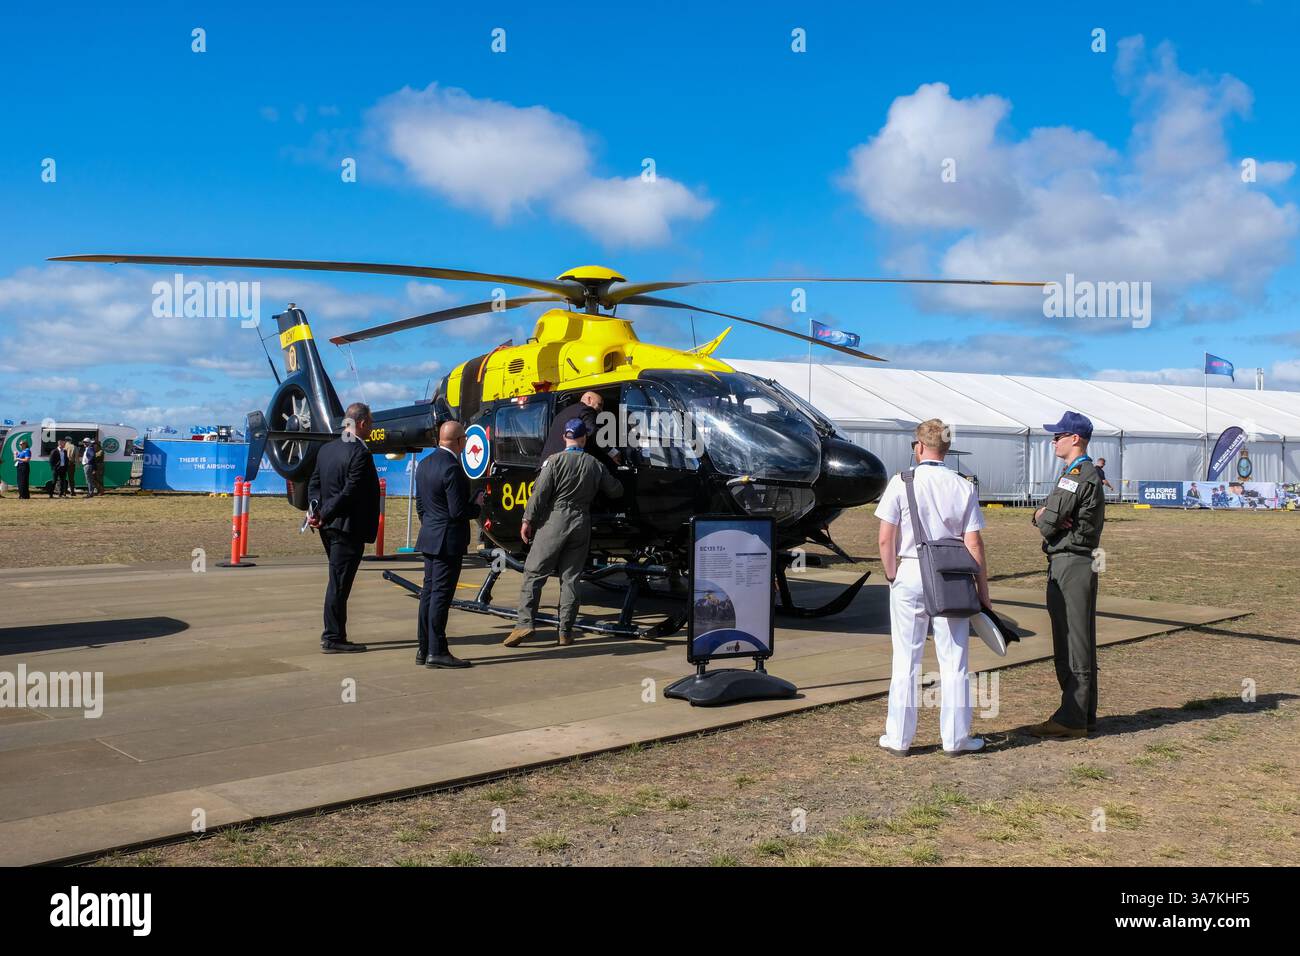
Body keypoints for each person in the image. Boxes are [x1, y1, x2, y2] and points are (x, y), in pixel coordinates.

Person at [875, 419, 990, 757]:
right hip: (951, 575)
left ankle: (898, 738)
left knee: (906, 658)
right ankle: (955, 739)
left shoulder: (901, 481)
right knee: (954, 658)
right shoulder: (963, 486)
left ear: (919, 447)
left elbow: (885, 538)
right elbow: (975, 545)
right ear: (947, 449)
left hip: (910, 570)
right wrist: (983, 591)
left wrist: (893, 574)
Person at [505, 417, 624, 647]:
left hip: (554, 520)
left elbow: (539, 493)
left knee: (534, 572)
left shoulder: (554, 461)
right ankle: (565, 632)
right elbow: (615, 491)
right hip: (582, 522)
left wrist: (527, 519)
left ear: (564, 438)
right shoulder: (594, 464)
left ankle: (524, 624)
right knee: (571, 579)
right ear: (584, 438)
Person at [1026, 411, 1106, 739]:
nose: (1053, 441)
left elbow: (1046, 522)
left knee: (1073, 640)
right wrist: (1044, 514)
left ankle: (1073, 717)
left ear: (1075, 439)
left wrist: (1045, 515)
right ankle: (1081, 714)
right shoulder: (1075, 474)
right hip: (1069, 560)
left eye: (1058, 436)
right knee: (1073, 638)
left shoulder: (1078, 475)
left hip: (1071, 562)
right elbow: (1042, 515)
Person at [307, 402, 381, 654]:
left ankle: (335, 633)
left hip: (329, 527)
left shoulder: (327, 449)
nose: (372, 428)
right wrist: (324, 513)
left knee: (337, 580)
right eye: (370, 423)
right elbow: (351, 491)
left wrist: (316, 511)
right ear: (361, 424)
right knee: (339, 584)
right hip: (347, 528)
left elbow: (314, 484)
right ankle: (333, 637)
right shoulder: (360, 453)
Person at [414, 420, 482, 669]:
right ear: (458, 441)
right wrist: (478, 505)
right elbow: (457, 511)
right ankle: (437, 651)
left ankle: (424, 648)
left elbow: (421, 506)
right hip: (447, 541)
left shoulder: (425, 464)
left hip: (430, 537)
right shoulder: (452, 468)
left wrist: (432, 525)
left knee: (429, 595)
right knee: (441, 597)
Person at [539, 390, 621, 471]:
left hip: (546, 466)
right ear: (589, 399)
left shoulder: (562, 413)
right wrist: (613, 452)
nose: (601, 410)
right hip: (565, 467)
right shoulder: (586, 410)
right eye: (599, 405)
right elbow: (593, 432)